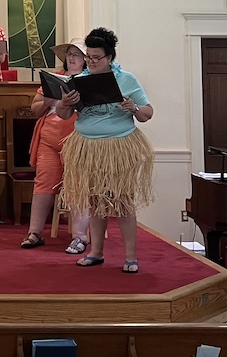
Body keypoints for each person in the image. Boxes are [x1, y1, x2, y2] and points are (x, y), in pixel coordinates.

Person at [59, 27, 155, 274]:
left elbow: (147, 114)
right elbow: (64, 115)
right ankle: (96, 252)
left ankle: (130, 257)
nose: (90, 62)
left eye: (95, 58)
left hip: (118, 145)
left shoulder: (127, 79)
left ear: (109, 57)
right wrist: (64, 103)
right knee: (94, 201)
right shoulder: (78, 80)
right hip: (87, 145)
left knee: (122, 201)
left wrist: (132, 107)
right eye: (87, 57)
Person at [20, 39, 92, 253]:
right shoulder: (54, 78)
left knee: (78, 186)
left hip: (79, 139)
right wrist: (48, 101)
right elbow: (34, 108)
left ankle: (80, 237)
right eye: (69, 54)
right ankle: (34, 233)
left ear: (85, 59)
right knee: (43, 183)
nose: (71, 58)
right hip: (49, 138)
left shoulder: (90, 80)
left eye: (77, 54)